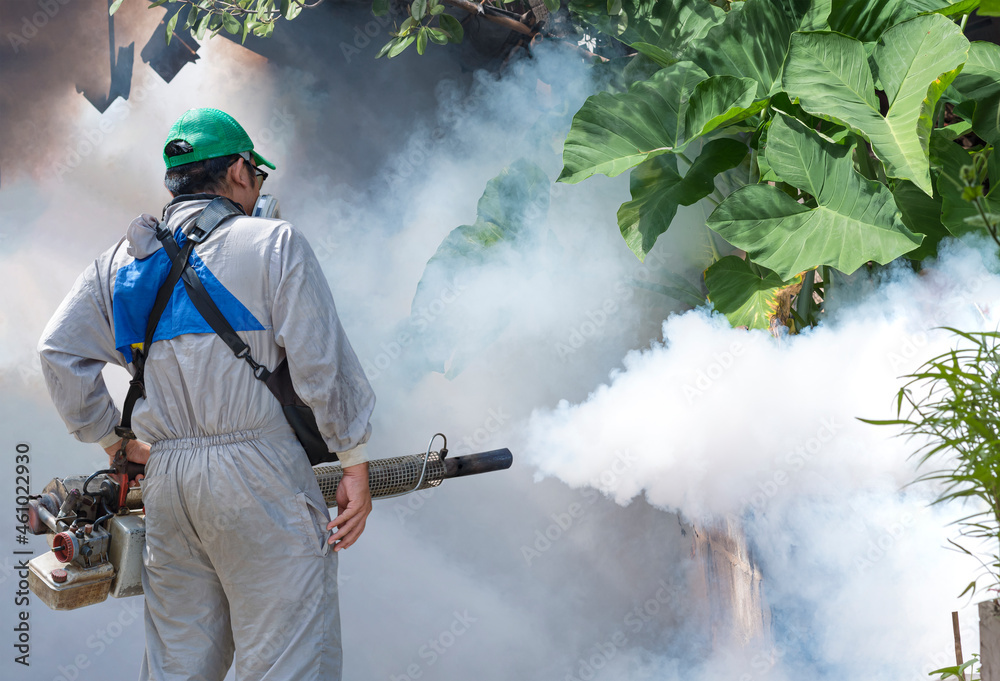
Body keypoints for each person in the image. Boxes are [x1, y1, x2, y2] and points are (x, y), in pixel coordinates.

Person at [38, 107, 376, 681]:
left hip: (169, 485)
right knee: (288, 660)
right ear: (241, 172)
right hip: (261, 476)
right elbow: (322, 367)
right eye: (258, 176)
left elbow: (57, 354)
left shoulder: (117, 264)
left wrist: (115, 444)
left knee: (180, 667)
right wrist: (353, 460)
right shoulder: (274, 244)